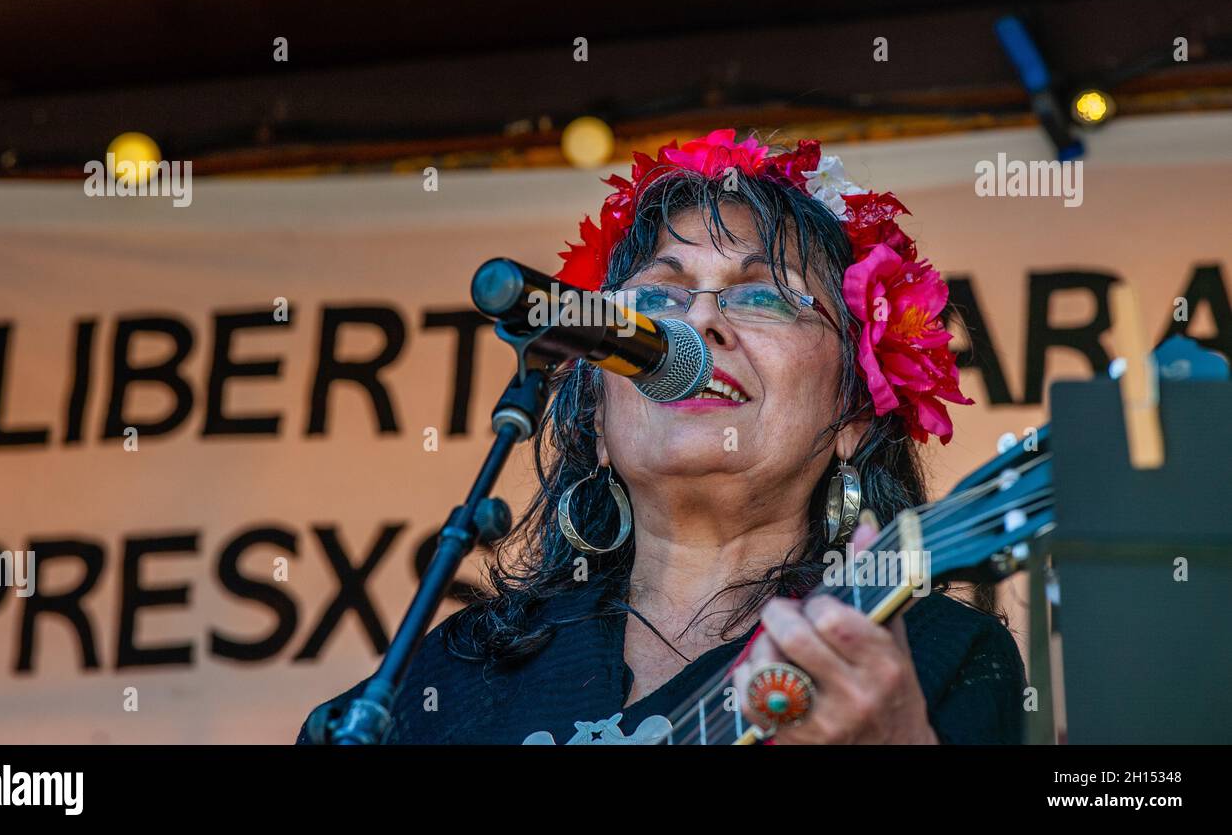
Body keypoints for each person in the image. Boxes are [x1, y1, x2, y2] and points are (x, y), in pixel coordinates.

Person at [298, 130, 1025, 745]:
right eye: (657, 297)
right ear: (601, 423)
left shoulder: (931, 656)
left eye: (762, 293)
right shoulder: (458, 673)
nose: (697, 323)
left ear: (854, 417)